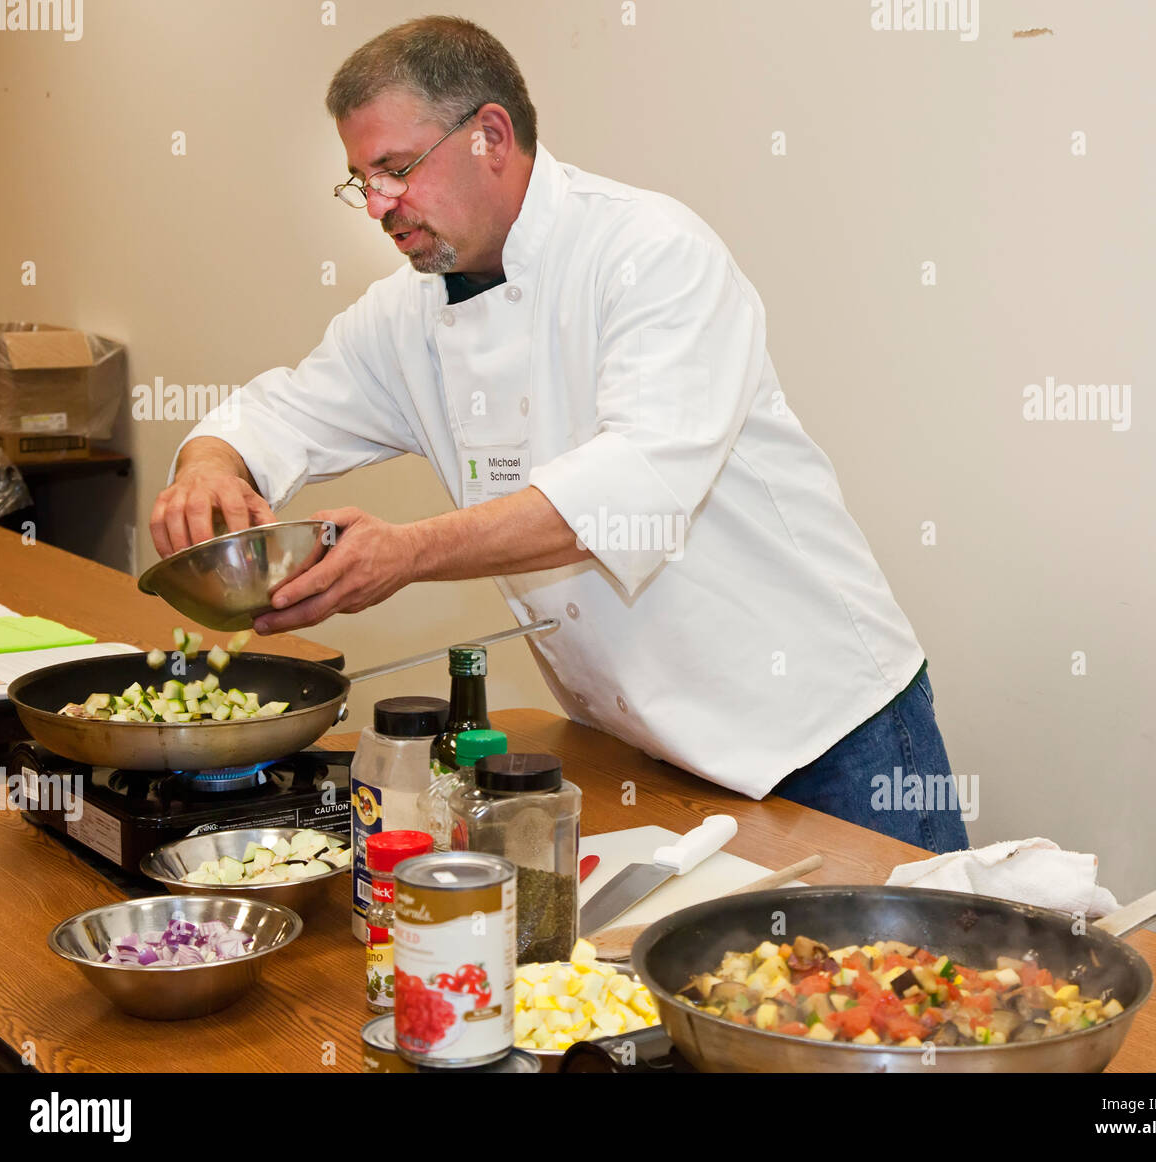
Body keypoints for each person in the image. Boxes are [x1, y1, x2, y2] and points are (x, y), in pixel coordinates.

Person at [152, 16, 969, 853]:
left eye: (397, 169)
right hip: (650, 749)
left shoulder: (647, 252)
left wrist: (407, 554)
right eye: (360, 180)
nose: (379, 206)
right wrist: (211, 464)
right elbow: (283, 408)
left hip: (822, 730)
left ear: (491, 136)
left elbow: (634, 489)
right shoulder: (407, 315)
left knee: (921, 980)